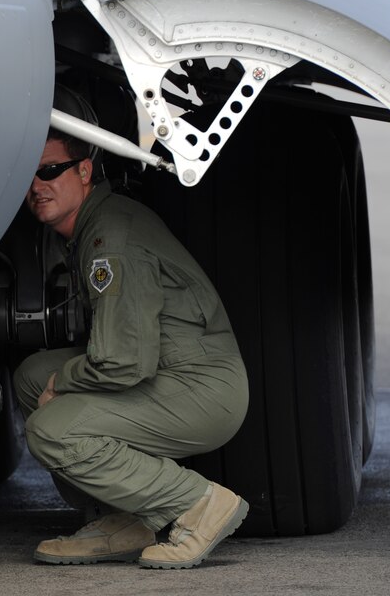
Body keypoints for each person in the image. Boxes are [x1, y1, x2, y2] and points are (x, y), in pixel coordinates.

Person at [14, 86, 250, 569]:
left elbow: (123, 362)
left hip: (200, 388)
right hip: (171, 370)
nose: (38, 184)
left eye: (51, 170)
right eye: (28, 173)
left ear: (84, 171)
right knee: (31, 376)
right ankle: (125, 516)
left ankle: (197, 504)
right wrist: (55, 380)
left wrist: (65, 384)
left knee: (52, 429)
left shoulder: (109, 242)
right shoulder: (93, 224)